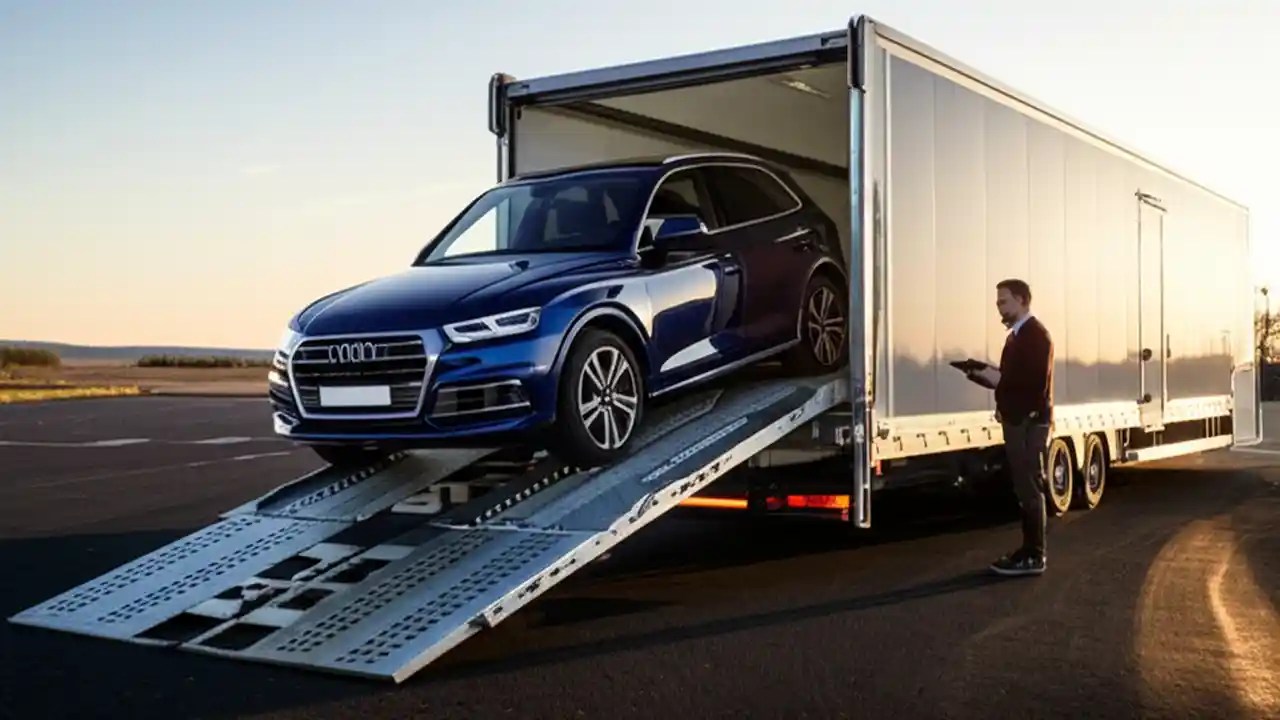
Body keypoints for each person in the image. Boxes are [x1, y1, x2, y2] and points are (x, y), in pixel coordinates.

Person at [968, 278, 1054, 577]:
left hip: (1028, 423)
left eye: (1004, 302)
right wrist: (992, 384)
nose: (1000, 309)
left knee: (1030, 487)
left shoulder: (1036, 337)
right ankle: (1028, 551)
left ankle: (1034, 555)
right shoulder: (1016, 336)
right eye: (998, 303)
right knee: (1023, 486)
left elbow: (1034, 386)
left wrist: (998, 382)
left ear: (1022, 300)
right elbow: (1013, 378)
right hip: (1018, 419)